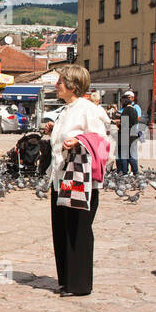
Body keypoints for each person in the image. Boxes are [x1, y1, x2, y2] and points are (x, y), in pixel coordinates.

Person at [47, 62, 113, 296]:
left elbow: (101, 140)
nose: (57, 85)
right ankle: (66, 279)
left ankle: (80, 284)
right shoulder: (67, 109)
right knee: (62, 229)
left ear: (72, 86)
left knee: (78, 231)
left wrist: (79, 141)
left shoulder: (87, 109)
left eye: (60, 82)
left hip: (80, 181)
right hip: (61, 179)